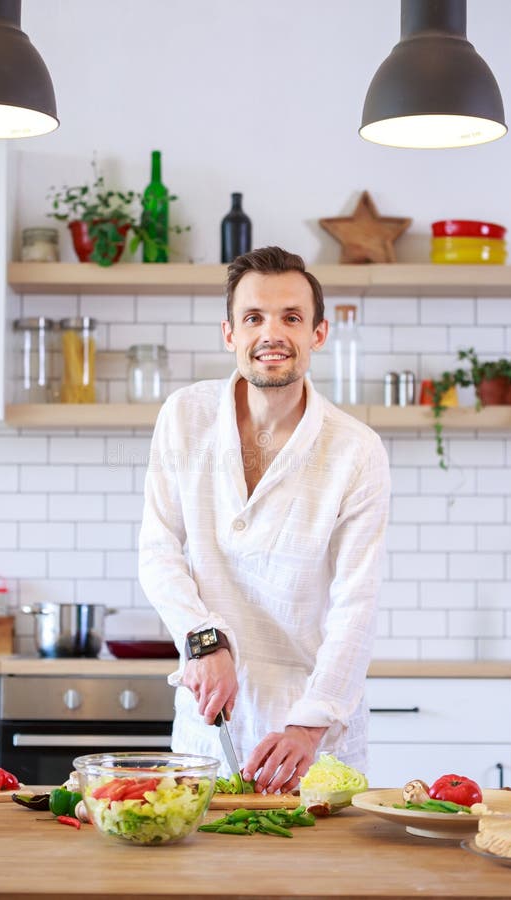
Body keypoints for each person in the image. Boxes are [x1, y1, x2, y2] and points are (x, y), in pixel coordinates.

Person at [138, 246, 390, 793]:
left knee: (320, 878)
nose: (271, 333)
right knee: (198, 873)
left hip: (313, 736)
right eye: (253, 317)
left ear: (318, 334)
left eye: (291, 318)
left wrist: (308, 724)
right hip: (209, 728)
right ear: (229, 333)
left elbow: (356, 605)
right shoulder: (185, 416)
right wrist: (204, 641)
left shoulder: (356, 450)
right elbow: (158, 551)